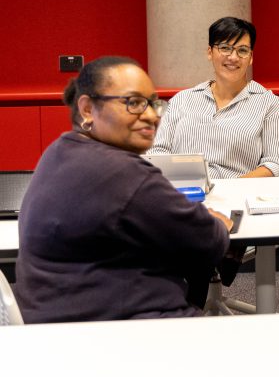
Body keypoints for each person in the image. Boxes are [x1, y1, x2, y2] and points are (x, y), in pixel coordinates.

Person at [15, 57, 231, 322]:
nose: (151, 115)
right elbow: (210, 241)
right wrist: (216, 221)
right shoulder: (125, 174)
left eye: (153, 103)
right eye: (134, 103)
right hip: (126, 338)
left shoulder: (58, 152)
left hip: (63, 330)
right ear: (87, 109)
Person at [150, 16, 279, 178]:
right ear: (210, 52)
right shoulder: (182, 100)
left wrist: (232, 188)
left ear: (251, 57)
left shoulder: (272, 106)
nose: (233, 57)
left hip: (239, 196)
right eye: (225, 48)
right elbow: (158, 150)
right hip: (182, 193)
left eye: (242, 50)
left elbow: (277, 165)